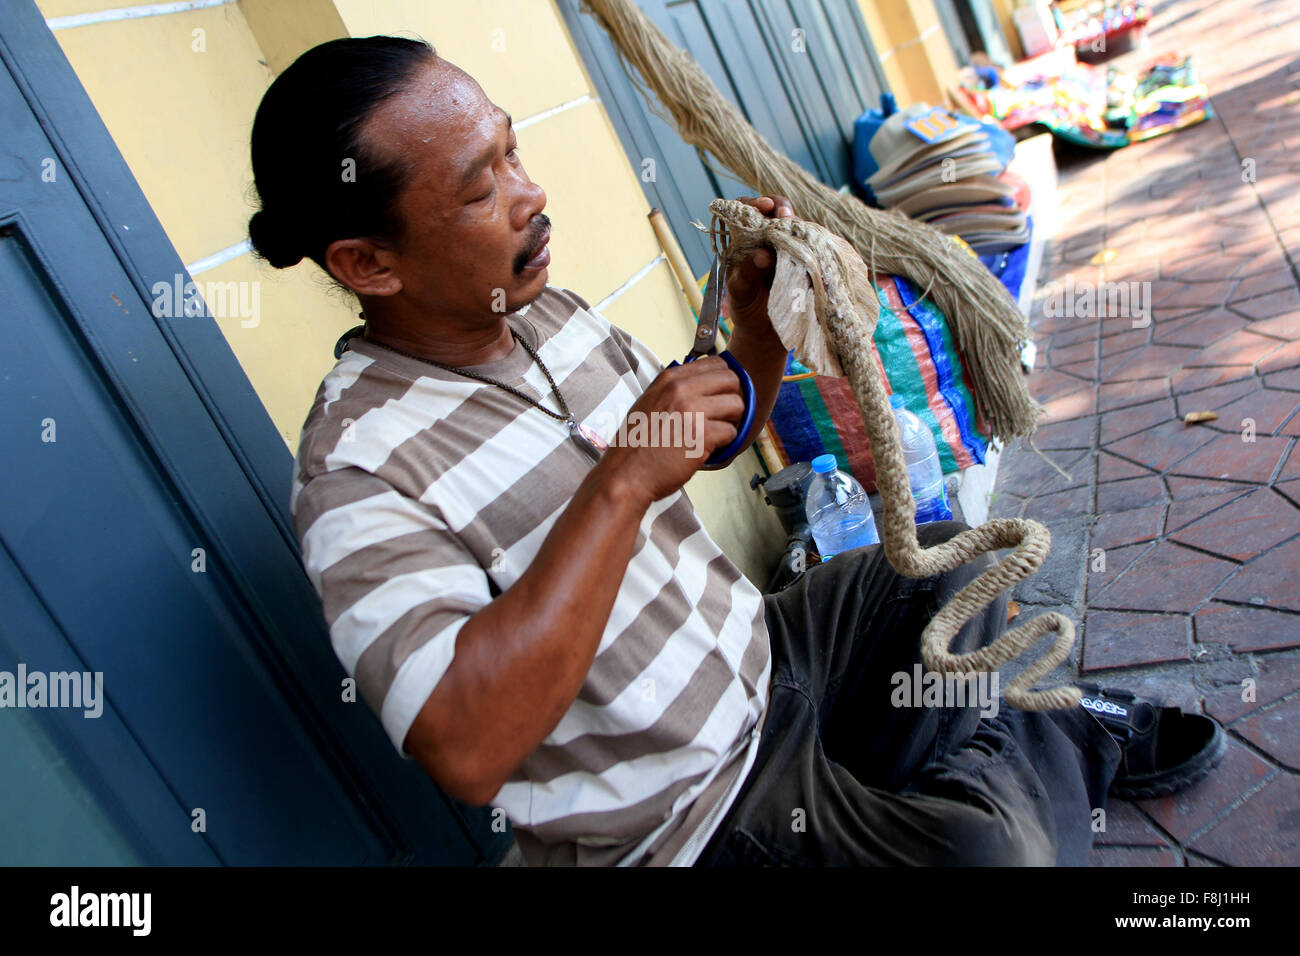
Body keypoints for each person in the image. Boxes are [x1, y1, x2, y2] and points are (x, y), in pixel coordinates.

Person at [247, 36, 1193, 867]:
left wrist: (757, 330)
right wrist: (618, 483)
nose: (530, 196)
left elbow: (702, 436)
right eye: (480, 186)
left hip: (769, 657)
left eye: (513, 150)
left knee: (954, 572)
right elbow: (466, 742)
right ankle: (1054, 743)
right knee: (990, 857)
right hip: (693, 808)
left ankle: (927, 775)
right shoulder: (359, 472)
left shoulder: (548, 318)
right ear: (368, 262)